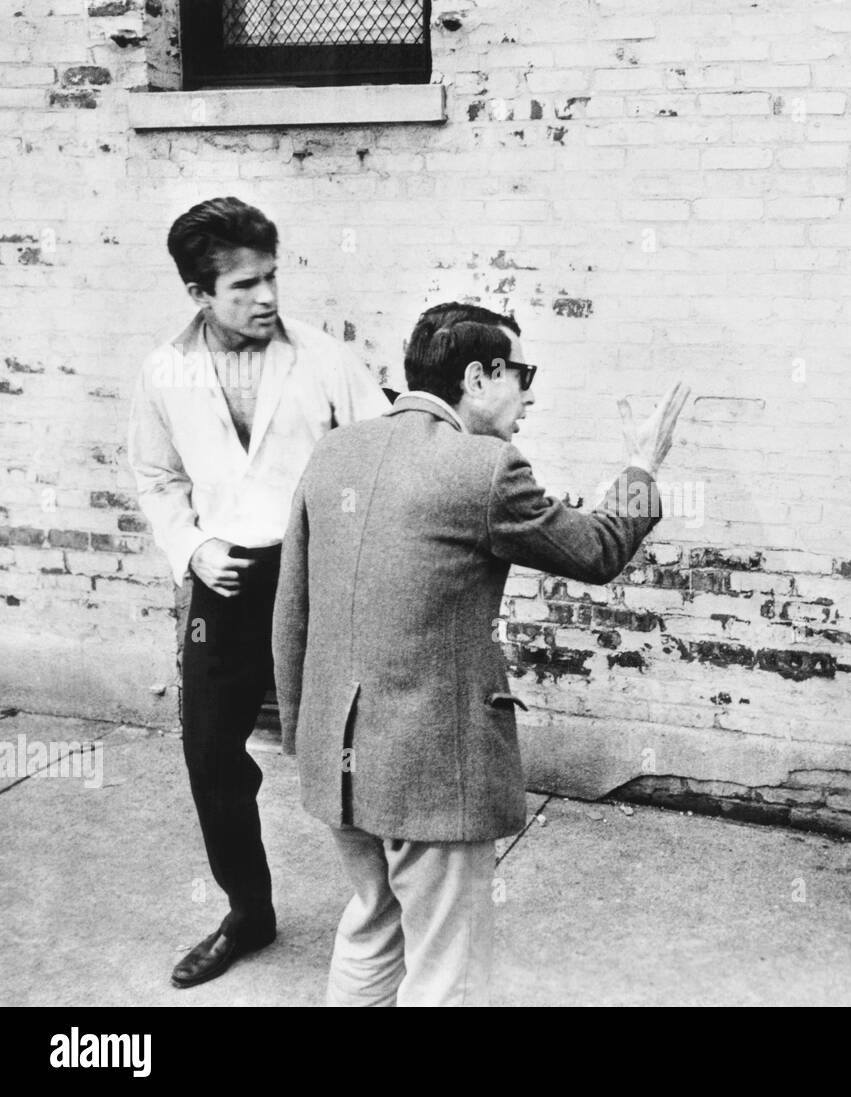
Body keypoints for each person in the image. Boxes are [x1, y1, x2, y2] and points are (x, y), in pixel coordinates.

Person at [272, 307, 688, 1006]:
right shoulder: (484, 468)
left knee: (373, 926)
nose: (529, 395)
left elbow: (292, 609)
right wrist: (643, 466)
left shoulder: (335, 451)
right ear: (479, 376)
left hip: (336, 760)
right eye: (522, 375)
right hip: (431, 767)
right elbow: (594, 549)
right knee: (447, 971)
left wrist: (301, 734)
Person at [127, 196, 391, 989]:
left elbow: (379, 452)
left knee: (354, 750)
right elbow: (156, 478)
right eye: (243, 285)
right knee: (210, 753)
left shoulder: (323, 356)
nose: (268, 297)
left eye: (273, 276)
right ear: (199, 292)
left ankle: (389, 911)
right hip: (225, 583)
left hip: (318, 579)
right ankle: (248, 909)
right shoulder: (163, 371)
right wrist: (196, 547)